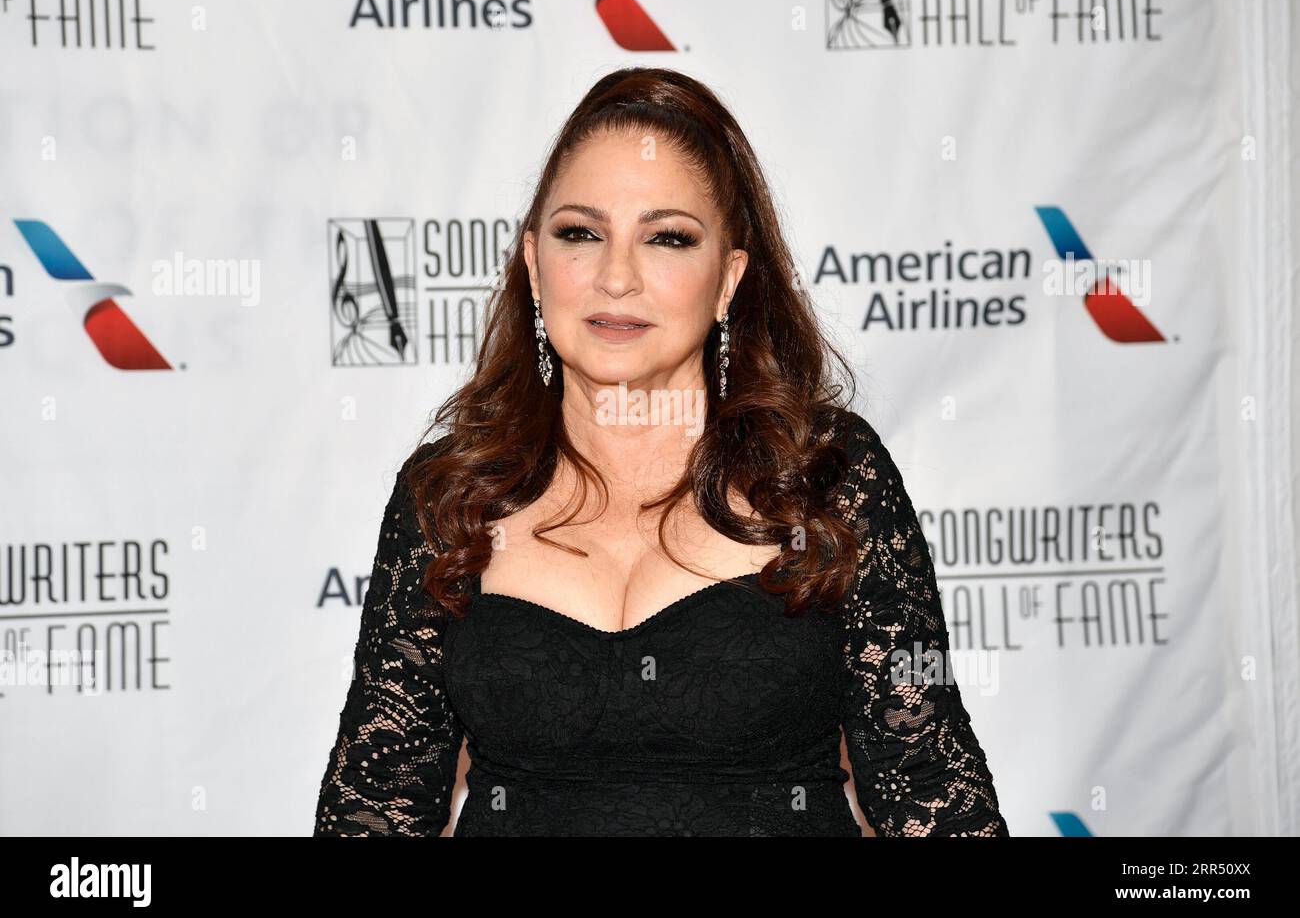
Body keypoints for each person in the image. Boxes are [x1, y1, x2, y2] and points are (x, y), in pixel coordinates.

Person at [313, 67, 1009, 837]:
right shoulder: (454, 491)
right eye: (580, 233)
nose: (616, 277)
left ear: (728, 281)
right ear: (534, 266)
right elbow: (373, 806)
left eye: (667, 238)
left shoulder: (822, 474)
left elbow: (930, 787)